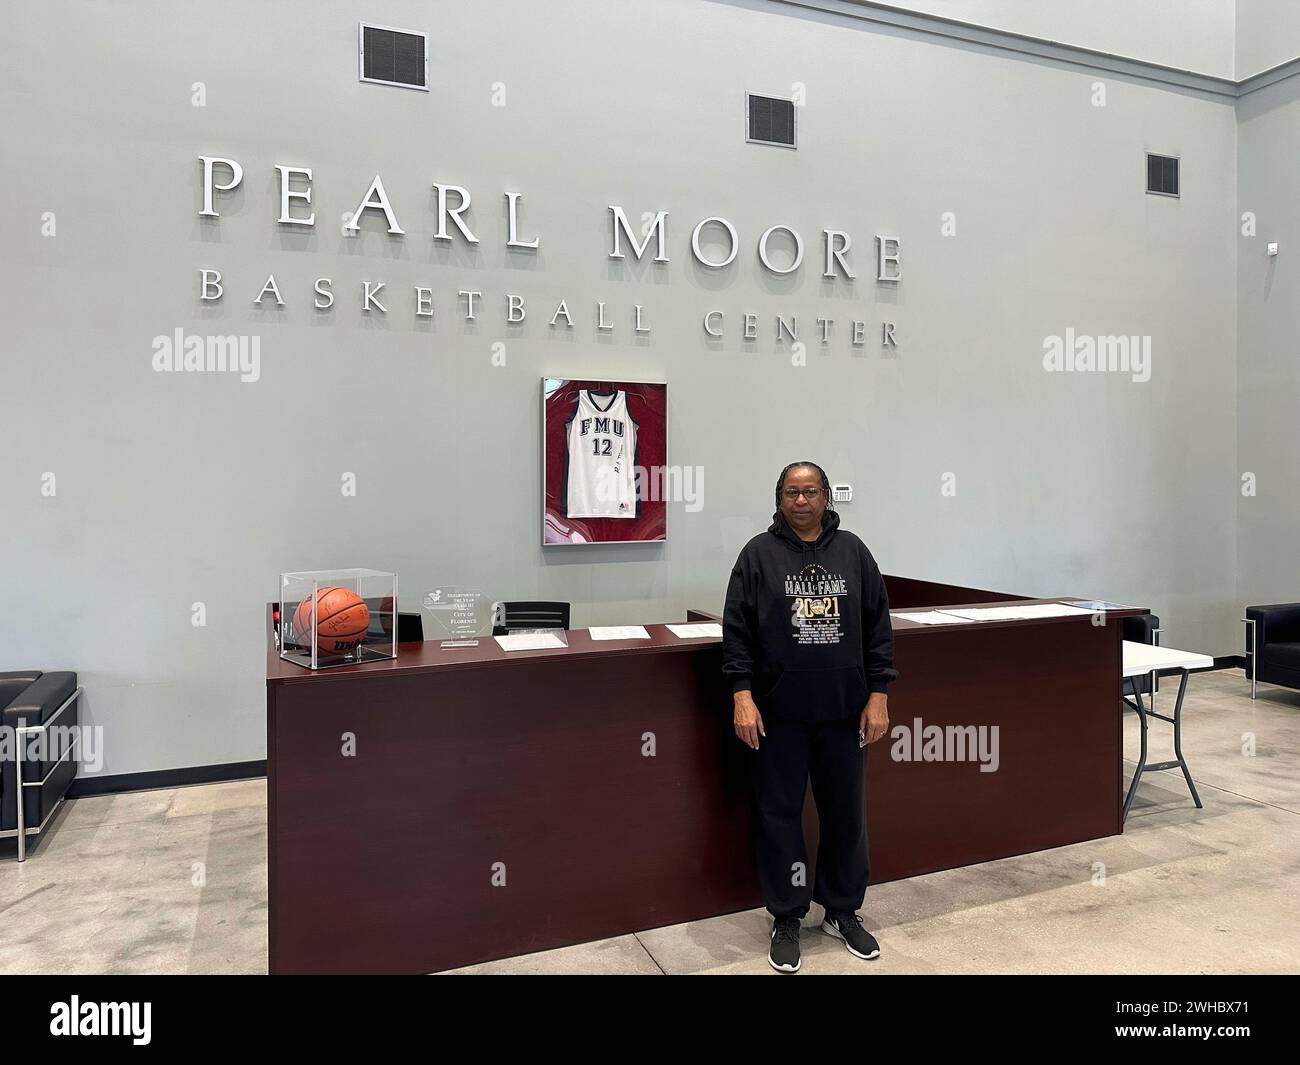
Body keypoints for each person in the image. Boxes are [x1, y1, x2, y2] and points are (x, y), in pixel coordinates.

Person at [722, 460, 898, 973]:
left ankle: (842, 910)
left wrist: (879, 693)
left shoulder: (854, 553)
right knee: (779, 818)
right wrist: (742, 695)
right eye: (791, 492)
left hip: (845, 713)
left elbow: (877, 627)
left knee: (846, 815)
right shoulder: (757, 556)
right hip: (778, 715)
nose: (801, 501)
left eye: (810, 491)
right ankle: (787, 915)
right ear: (778, 498)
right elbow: (737, 632)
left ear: (826, 497)